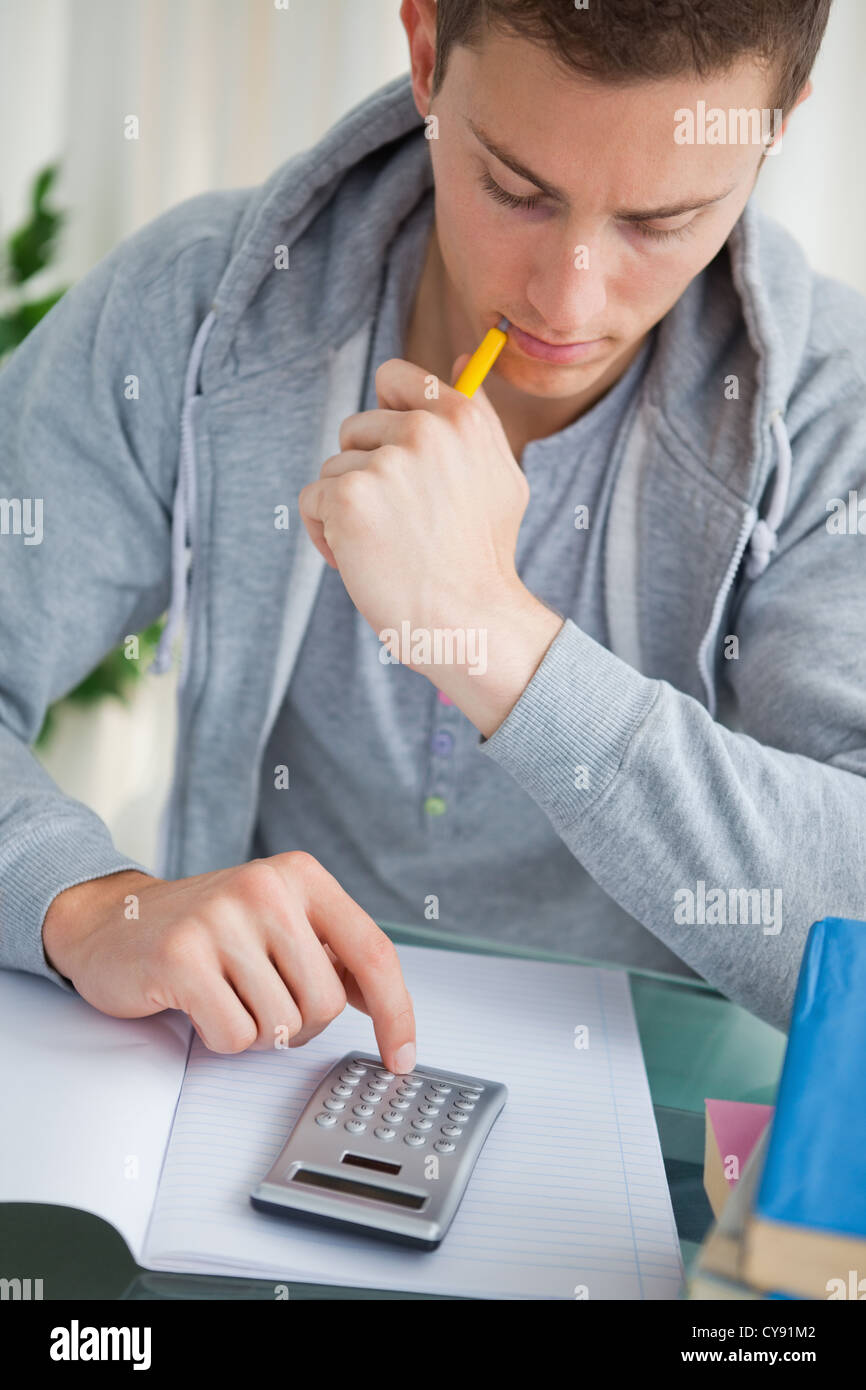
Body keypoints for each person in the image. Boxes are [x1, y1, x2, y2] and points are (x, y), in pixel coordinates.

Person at [1, 0, 858, 1073]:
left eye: (660, 221)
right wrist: (83, 902)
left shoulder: (832, 414)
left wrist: (490, 632)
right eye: (513, 187)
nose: (566, 298)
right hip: (264, 1067)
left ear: (771, 135)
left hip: (670, 1134)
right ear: (420, 52)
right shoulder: (196, 307)